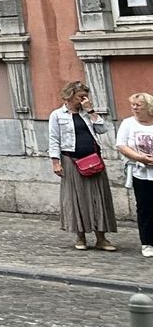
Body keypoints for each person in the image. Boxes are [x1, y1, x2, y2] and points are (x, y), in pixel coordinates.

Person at [48, 79, 117, 251]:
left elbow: (102, 130)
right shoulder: (57, 115)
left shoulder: (87, 112)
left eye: (85, 96)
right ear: (70, 96)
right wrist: (55, 162)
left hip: (93, 160)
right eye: (80, 97)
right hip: (71, 160)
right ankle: (81, 237)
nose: (83, 99)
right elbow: (53, 139)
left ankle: (101, 237)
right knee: (77, 198)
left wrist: (91, 111)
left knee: (98, 198)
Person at [116, 92, 153, 257]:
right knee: (145, 208)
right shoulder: (128, 123)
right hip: (141, 172)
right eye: (133, 105)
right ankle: (147, 242)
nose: (135, 108)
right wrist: (139, 158)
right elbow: (121, 145)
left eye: (138, 105)